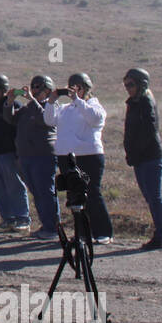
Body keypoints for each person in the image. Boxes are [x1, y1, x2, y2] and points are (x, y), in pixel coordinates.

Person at [44, 72, 113, 244]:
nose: (74, 91)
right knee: (74, 197)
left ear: (86, 88)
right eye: (71, 88)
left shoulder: (94, 106)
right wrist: (51, 101)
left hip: (88, 157)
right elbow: (49, 120)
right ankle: (82, 233)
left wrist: (77, 100)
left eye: (78, 88)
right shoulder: (66, 109)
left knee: (91, 193)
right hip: (66, 157)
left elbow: (95, 119)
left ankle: (103, 232)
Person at [4, 74, 58, 240]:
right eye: (32, 87)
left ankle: (53, 228)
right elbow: (10, 119)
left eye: (38, 87)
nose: (34, 90)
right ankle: (46, 225)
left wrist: (32, 100)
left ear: (47, 90)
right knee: (37, 193)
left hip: (43, 156)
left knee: (46, 192)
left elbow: (44, 120)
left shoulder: (51, 107)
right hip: (26, 156)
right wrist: (10, 102)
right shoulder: (28, 108)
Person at [123, 67, 162, 250]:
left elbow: (149, 131)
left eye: (131, 84)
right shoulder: (135, 102)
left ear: (141, 85)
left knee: (154, 197)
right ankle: (160, 234)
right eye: (126, 85)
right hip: (141, 158)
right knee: (150, 197)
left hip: (150, 157)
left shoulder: (145, 102)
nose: (128, 88)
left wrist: (135, 152)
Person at [0, 74, 29, 232]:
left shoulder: (14, 105)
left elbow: (20, 131)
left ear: (4, 89)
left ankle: (22, 219)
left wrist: (19, 153)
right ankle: (8, 219)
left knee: (15, 187)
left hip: (9, 154)